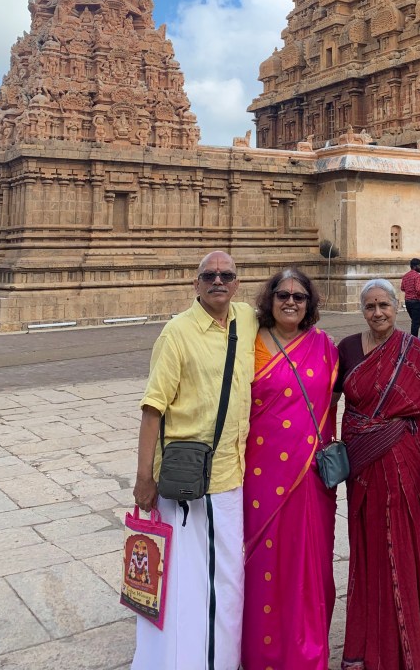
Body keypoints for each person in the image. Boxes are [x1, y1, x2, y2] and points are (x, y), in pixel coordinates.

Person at [132, 251, 258, 670]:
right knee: (189, 578)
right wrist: (143, 478)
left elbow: (290, 313)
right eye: (209, 275)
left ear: (237, 284)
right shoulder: (176, 334)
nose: (218, 281)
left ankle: (217, 656)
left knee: (224, 576)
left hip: (231, 474)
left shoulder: (246, 319)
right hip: (187, 481)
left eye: (226, 275)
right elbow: (153, 409)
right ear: (196, 283)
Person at [337, 279, 420, 670]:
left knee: (413, 546)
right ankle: (369, 647)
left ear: (397, 307)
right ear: (361, 310)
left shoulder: (413, 349)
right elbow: (325, 405)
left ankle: (418, 645)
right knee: (369, 550)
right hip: (363, 465)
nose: (378, 312)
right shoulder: (346, 349)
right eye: (370, 306)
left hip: (408, 461)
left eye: (384, 305)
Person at [243, 269, 338, 670]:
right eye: (283, 295)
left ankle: (305, 651)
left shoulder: (325, 347)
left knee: (307, 561)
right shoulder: (247, 344)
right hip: (258, 477)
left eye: (300, 297)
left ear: (309, 304)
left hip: (310, 478)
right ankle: (257, 652)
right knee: (260, 561)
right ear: (271, 299)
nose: (291, 302)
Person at [400, 257, 420, 337]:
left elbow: (402, 288)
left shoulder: (405, 276)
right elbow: (418, 289)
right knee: (416, 323)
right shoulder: (417, 276)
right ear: (414, 266)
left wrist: (410, 290)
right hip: (415, 302)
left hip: (407, 302)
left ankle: (413, 338)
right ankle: (414, 340)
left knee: (414, 322)